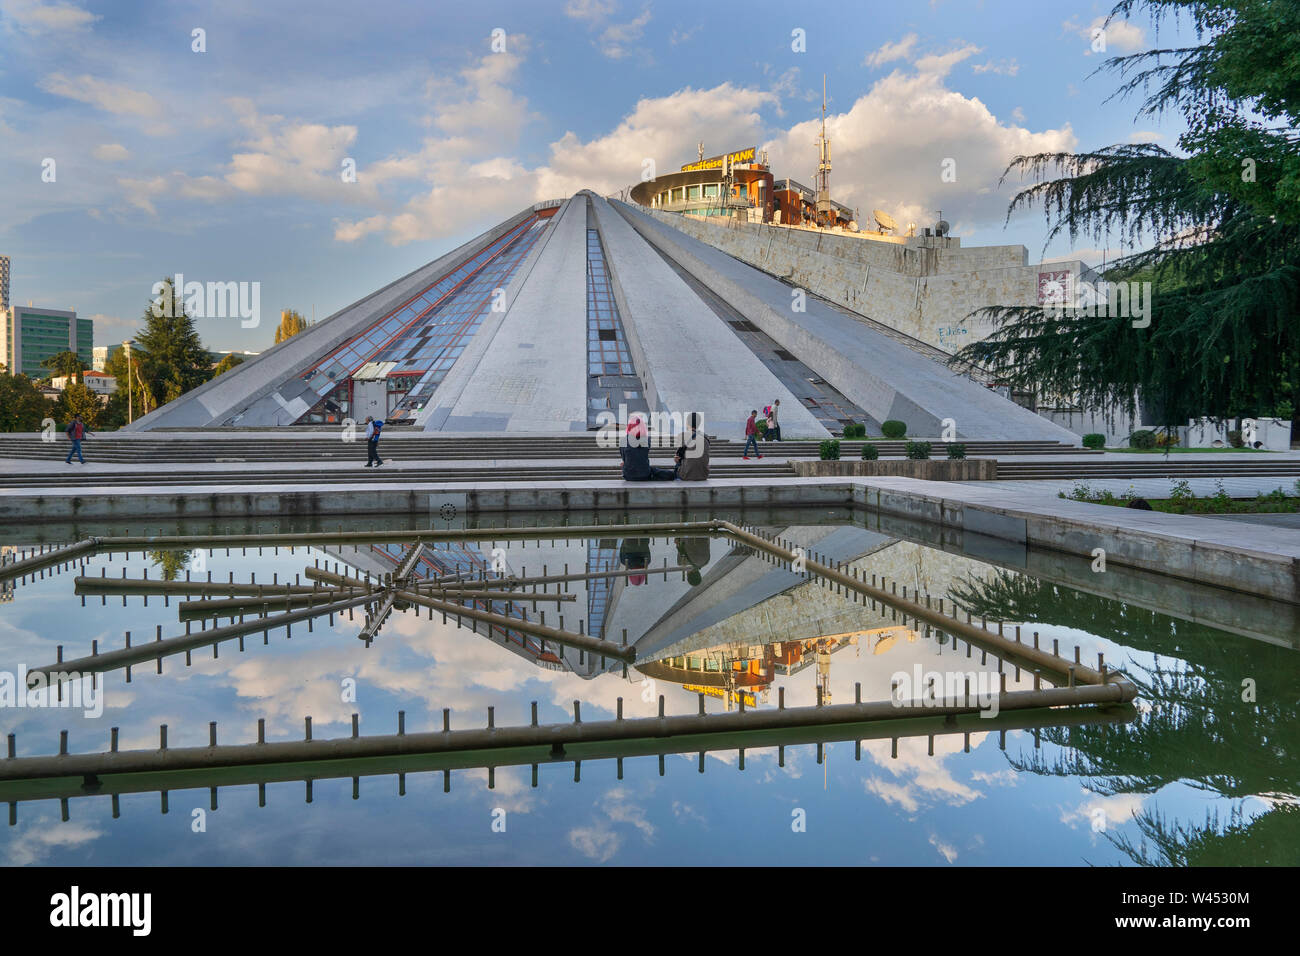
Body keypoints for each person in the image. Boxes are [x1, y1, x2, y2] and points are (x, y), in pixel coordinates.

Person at [620, 414, 674, 480]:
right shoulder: (647, 440)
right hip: (644, 474)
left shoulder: (623, 441)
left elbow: (624, 458)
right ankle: (673, 475)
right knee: (655, 471)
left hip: (628, 475)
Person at [675, 412, 710, 480]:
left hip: (686, 476)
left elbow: (677, 458)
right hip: (704, 475)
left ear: (687, 422)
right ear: (699, 424)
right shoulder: (706, 437)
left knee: (677, 462)